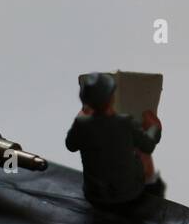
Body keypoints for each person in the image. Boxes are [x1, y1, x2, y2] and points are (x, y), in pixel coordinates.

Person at [65, 72, 163, 205]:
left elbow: (70, 146)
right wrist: (154, 127)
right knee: (141, 154)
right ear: (112, 98)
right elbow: (148, 145)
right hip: (129, 194)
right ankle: (150, 184)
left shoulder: (81, 124)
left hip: (94, 194)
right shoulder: (125, 123)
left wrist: (80, 120)